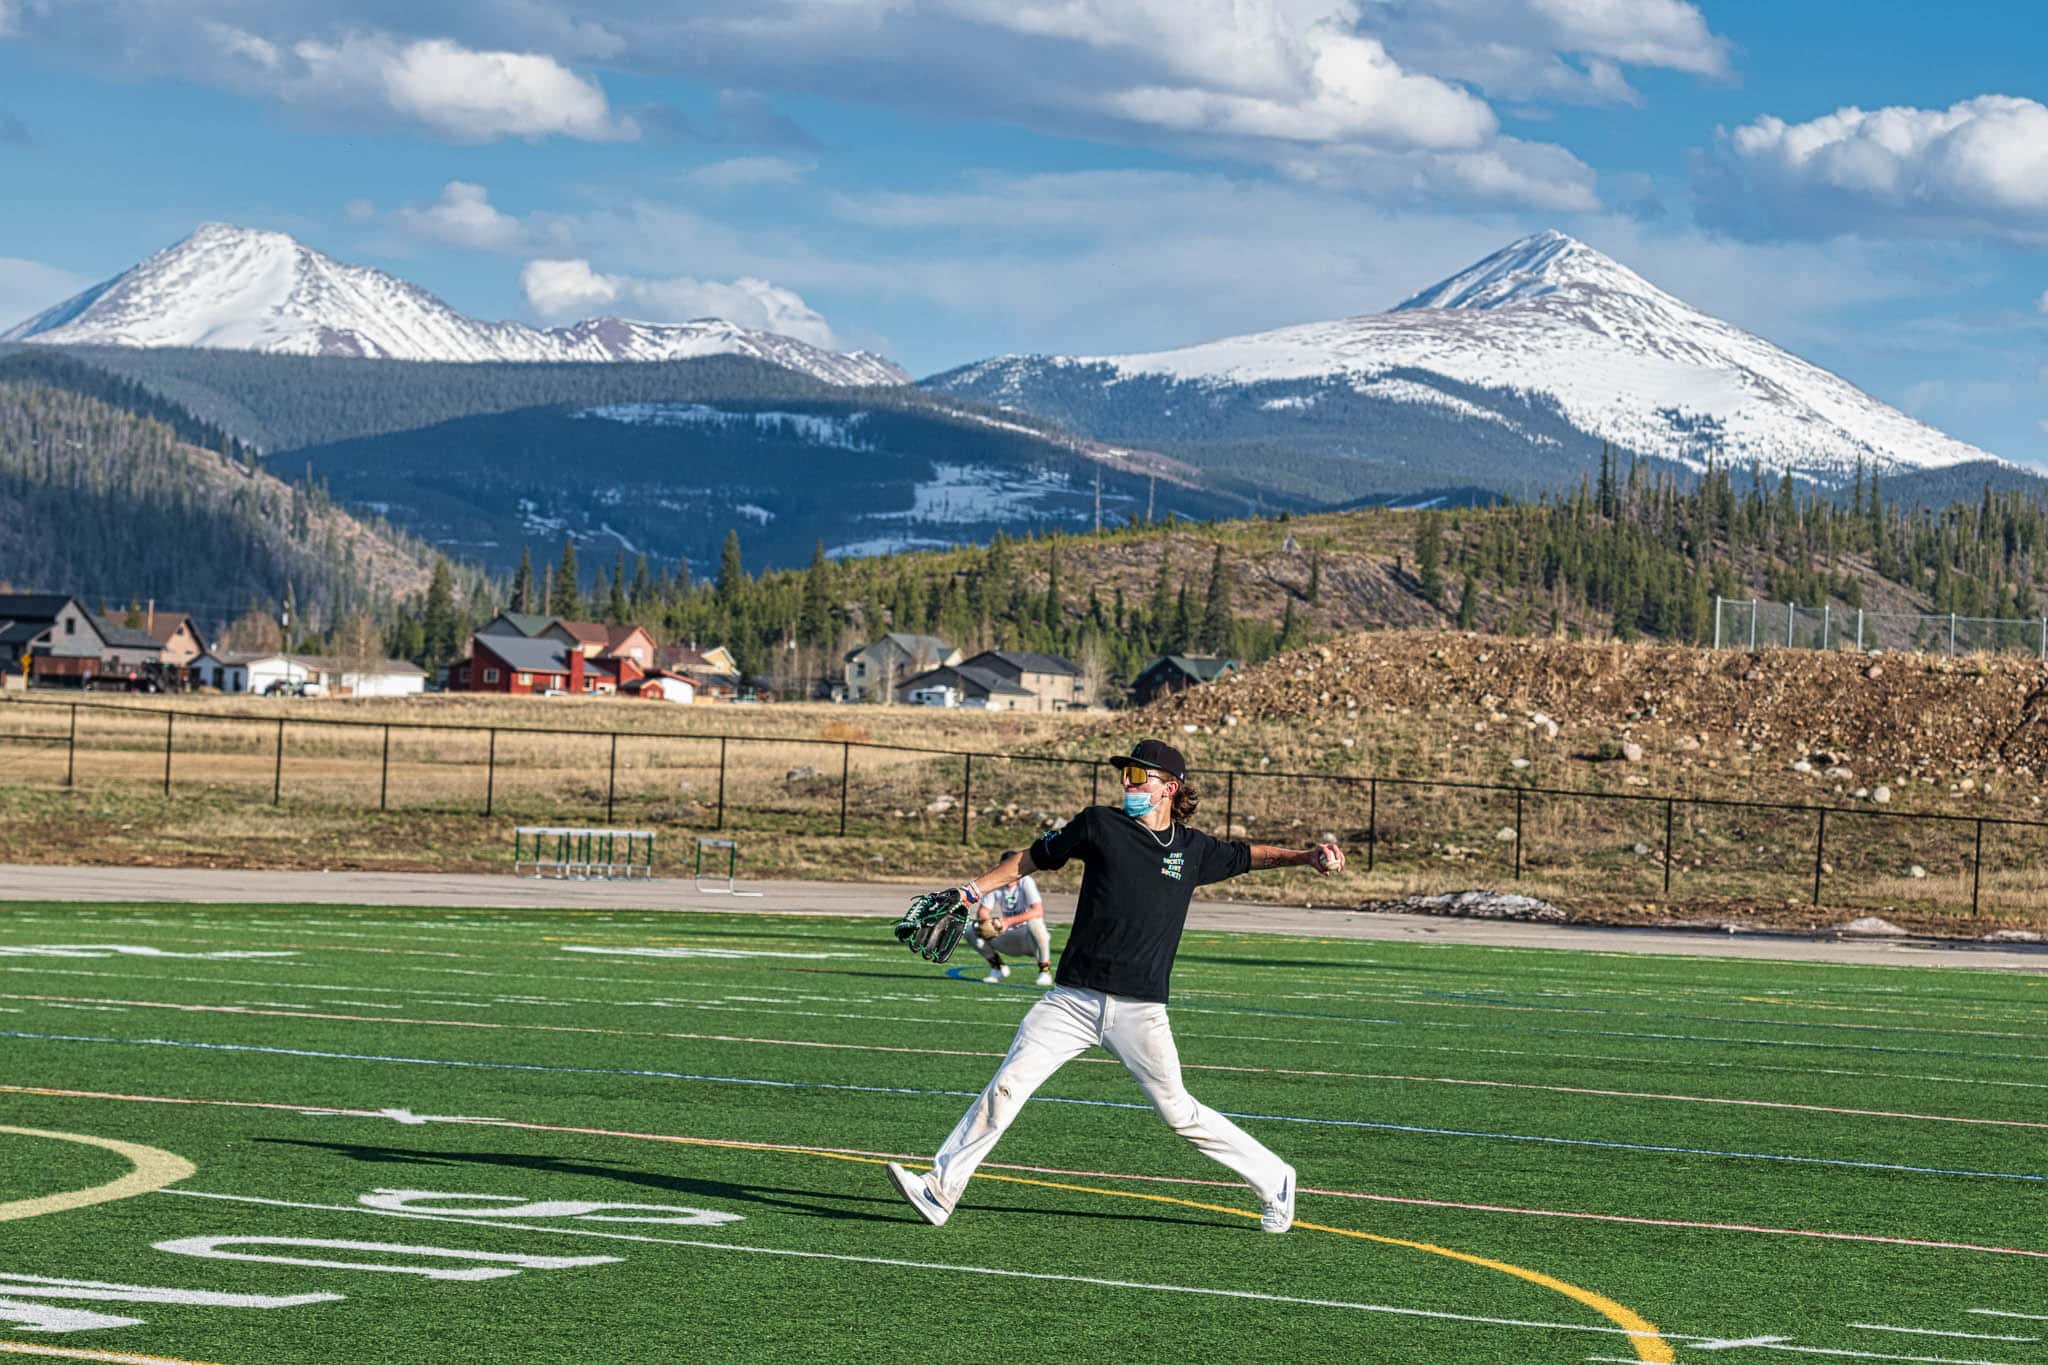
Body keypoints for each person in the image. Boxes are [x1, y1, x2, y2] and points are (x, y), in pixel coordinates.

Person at [885, 738, 1345, 1234]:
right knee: (1007, 1086)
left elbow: (1252, 856)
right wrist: (970, 891)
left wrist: (1306, 857)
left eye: (1136, 776)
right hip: (1072, 1000)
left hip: (1139, 1011)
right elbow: (1028, 860)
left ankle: (1276, 1178)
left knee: (1180, 1114)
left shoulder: (1194, 850)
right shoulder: (1099, 825)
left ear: (1169, 788)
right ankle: (940, 1188)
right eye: (1124, 775)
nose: (1126, 784)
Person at [970, 873, 1052, 986]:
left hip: (1028, 938)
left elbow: (1038, 911)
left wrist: (1007, 922)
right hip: (1006, 937)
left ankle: (1044, 971)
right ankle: (998, 968)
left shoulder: (1026, 881)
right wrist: (990, 924)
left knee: (1036, 923)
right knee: (971, 929)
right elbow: (983, 912)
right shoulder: (996, 881)